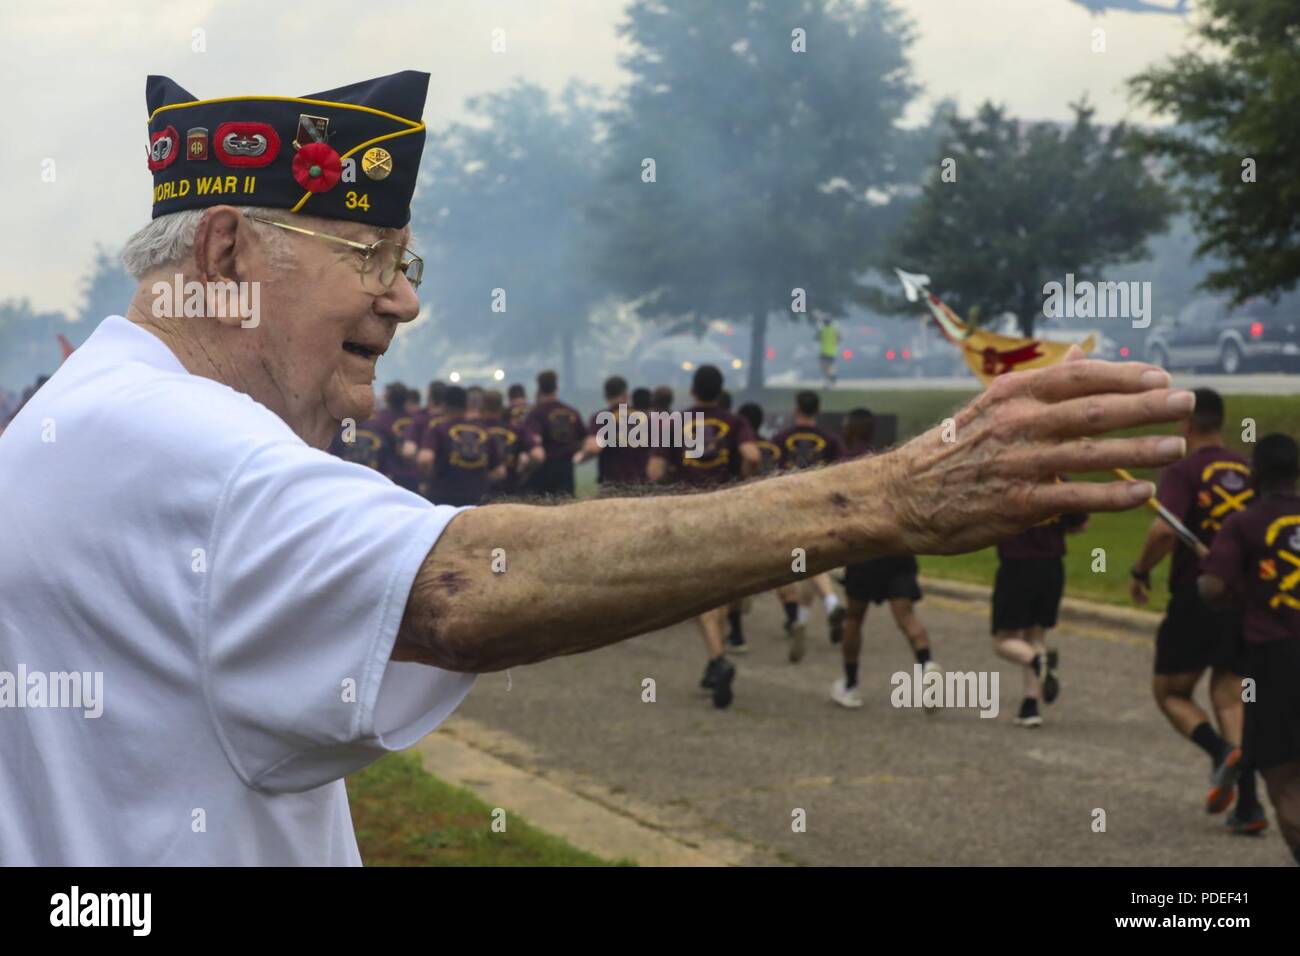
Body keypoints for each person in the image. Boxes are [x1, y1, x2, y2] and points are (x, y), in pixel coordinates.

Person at [0, 70, 1196, 866]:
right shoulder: (170, 439)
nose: (405, 296)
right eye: (371, 252)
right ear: (222, 246)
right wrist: (887, 495)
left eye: (408, 257)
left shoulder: (87, 418)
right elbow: (463, 587)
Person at [1130, 388, 1261, 819]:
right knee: (1229, 695)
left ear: (1185, 424)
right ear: (1219, 423)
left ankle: (1220, 750)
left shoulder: (1184, 471)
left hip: (1198, 594)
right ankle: (1248, 806)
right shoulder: (1247, 468)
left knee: (1170, 691)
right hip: (1245, 597)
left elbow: (1163, 532)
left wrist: (1141, 571)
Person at [1200, 433, 1300, 849]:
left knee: (1281, 773)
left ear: (1255, 475)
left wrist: (1236, 587)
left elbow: (1209, 586)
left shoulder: (1243, 522)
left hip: (1272, 662)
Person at [649, 365, 759, 707]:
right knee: (722, 589)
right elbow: (753, 455)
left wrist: (669, 477)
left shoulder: (675, 422)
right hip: (729, 509)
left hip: (692, 513)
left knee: (704, 594)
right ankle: (716, 658)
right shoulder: (736, 421)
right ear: (719, 390)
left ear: (694, 391)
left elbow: (653, 471)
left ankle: (718, 659)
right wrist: (744, 478)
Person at [831, 408, 940, 710]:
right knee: (906, 616)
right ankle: (927, 665)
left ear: (850, 430)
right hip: (897, 546)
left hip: (865, 550)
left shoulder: (845, 466)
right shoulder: (892, 462)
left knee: (854, 617)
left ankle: (851, 685)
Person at [990, 487, 1088, 727]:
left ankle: (1037, 662)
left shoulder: (1010, 478)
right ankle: (1030, 706)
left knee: (1004, 641)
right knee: (1035, 636)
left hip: (1017, 566)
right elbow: (1080, 524)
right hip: (1052, 568)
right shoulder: (1060, 479)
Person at [772, 391, 846, 660]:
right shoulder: (830, 439)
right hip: (821, 506)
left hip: (792, 509)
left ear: (796, 409)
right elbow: (843, 471)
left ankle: (830, 603)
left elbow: (772, 473)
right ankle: (802, 620)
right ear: (818, 410)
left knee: (805, 563)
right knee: (810, 563)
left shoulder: (781, 438)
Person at [576, 375, 651, 492]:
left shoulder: (601, 418)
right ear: (626, 395)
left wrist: (579, 457)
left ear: (606, 396)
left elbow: (594, 447)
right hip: (641, 482)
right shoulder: (644, 417)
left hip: (612, 484)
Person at [523, 369, 585, 498]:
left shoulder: (536, 413)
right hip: (567, 469)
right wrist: (576, 456)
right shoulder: (571, 411)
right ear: (556, 386)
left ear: (539, 388)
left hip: (544, 471)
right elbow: (583, 439)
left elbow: (536, 446)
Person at [817, 316, 840, 386]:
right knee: (829, 367)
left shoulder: (822, 330)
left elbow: (817, 338)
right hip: (832, 352)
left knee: (824, 368)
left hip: (824, 352)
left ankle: (827, 381)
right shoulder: (835, 330)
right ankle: (832, 376)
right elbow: (839, 338)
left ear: (824, 323)